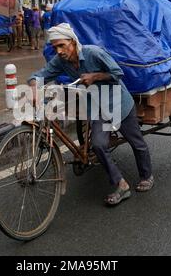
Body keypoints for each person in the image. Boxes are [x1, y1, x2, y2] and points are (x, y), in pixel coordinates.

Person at [28, 23, 154, 206]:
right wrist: (33, 87)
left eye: (62, 45)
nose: (59, 50)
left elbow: (118, 73)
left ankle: (147, 175)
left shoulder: (93, 53)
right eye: (55, 47)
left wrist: (95, 76)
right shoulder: (61, 61)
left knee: (136, 142)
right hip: (97, 108)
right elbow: (41, 74)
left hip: (118, 103)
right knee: (98, 144)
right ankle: (121, 184)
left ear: (72, 42)